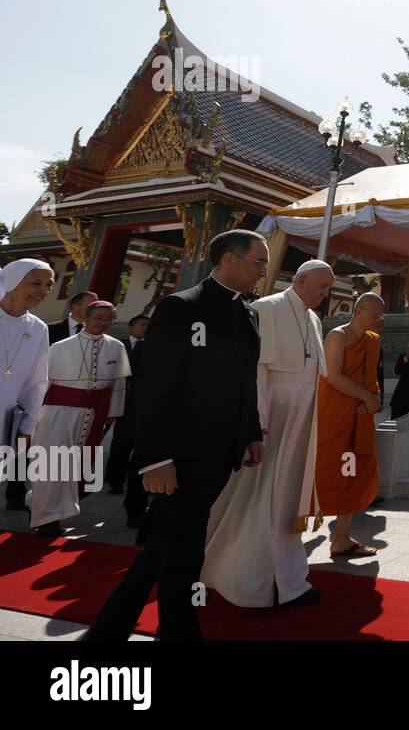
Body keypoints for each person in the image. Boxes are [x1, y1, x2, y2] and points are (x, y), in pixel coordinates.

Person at [82, 229, 267, 641]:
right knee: (184, 548)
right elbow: (154, 387)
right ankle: (179, 632)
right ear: (229, 260)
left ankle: (109, 629)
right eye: (258, 261)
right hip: (179, 454)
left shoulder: (249, 314)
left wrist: (250, 432)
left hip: (223, 450)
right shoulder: (180, 308)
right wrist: (154, 458)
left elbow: (245, 382)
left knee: (171, 542)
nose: (264, 270)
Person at [201, 260, 334, 609]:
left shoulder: (314, 318)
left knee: (285, 498)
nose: (325, 295)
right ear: (301, 280)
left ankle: (284, 577)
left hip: (302, 418)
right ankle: (260, 578)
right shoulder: (266, 308)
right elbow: (255, 371)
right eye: (321, 287)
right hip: (271, 418)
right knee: (262, 494)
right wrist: (255, 423)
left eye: (328, 288)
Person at [28, 301, 130, 537]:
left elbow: (118, 386)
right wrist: (33, 417)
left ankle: (43, 505)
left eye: (108, 319)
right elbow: (42, 385)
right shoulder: (61, 347)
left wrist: (111, 415)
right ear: (85, 317)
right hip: (57, 413)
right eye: (98, 317)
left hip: (91, 415)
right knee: (52, 463)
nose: (102, 322)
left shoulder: (117, 347)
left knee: (72, 467)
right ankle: (45, 519)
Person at [316, 291, 384, 558]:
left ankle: (342, 537)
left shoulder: (372, 341)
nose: (380, 319)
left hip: (361, 414)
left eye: (382, 314)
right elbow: (333, 377)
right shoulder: (338, 336)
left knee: (356, 472)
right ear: (359, 312)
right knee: (326, 469)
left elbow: (369, 378)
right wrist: (367, 397)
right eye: (376, 314)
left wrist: (372, 399)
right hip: (334, 414)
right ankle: (289, 532)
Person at [0, 260, 54, 512]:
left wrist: (28, 425)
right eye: (36, 283)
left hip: (6, 420)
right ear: (11, 282)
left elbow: (36, 382)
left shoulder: (38, 328)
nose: (43, 291)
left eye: (49, 285)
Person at [105, 314, 147, 503]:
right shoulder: (117, 345)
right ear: (131, 326)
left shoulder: (150, 347)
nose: (146, 327)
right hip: (121, 400)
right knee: (120, 443)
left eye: (149, 325)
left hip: (140, 403)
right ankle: (114, 480)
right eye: (142, 324)